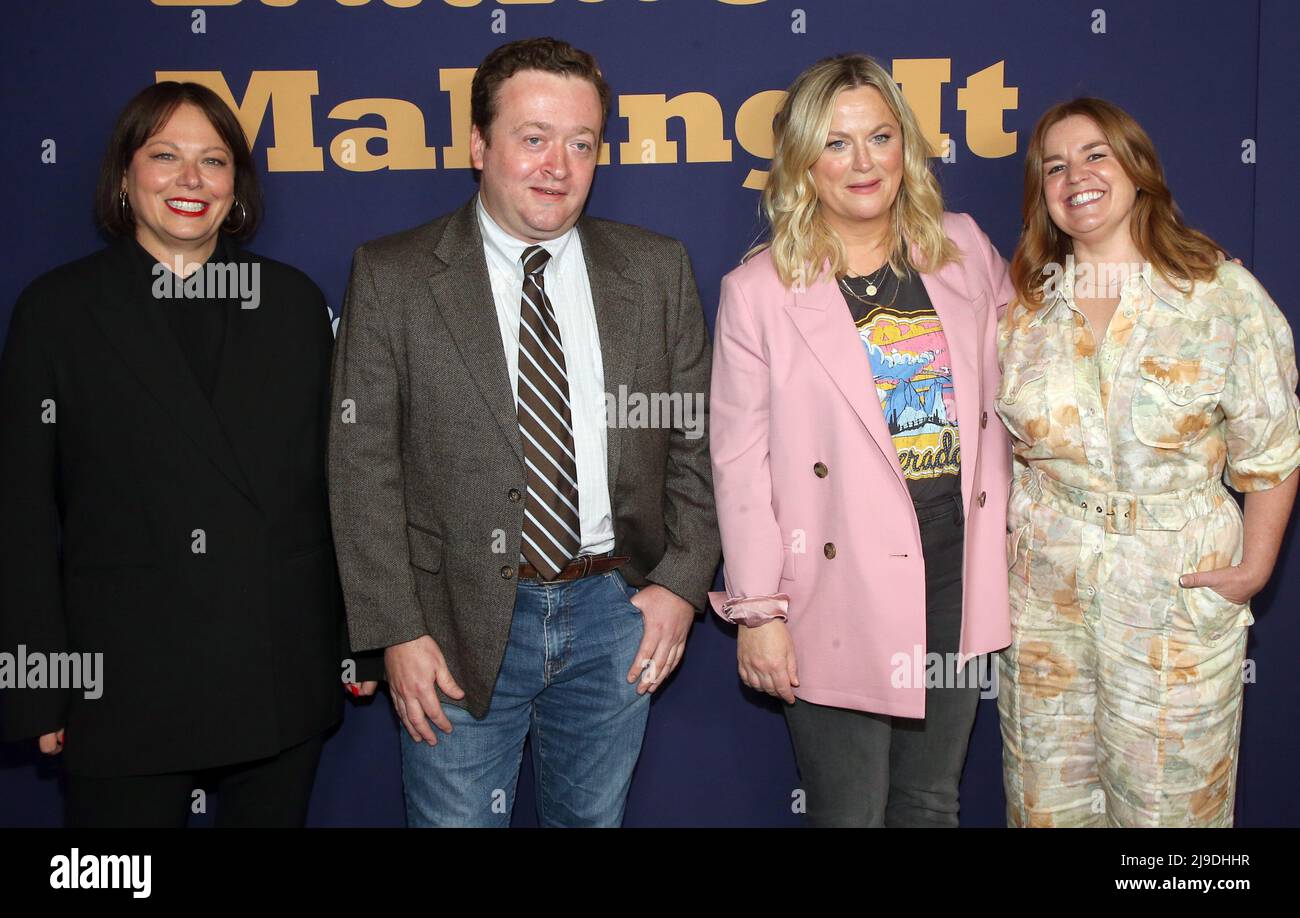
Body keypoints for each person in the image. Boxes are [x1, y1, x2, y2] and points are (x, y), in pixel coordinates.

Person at [327, 36, 719, 828]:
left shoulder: (654, 270)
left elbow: (696, 447)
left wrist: (680, 585)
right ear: (479, 145)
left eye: (581, 143)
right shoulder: (394, 275)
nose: (558, 166)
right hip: (453, 627)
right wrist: (394, 630)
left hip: (615, 615)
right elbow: (360, 466)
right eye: (533, 139)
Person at [0, 82, 375, 827]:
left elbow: (343, 483)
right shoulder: (56, 311)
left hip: (276, 665)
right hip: (123, 684)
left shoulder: (294, 303)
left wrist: (355, 643)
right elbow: (20, 516)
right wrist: (36, 683)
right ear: (124, 175)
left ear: (237, 185)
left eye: (214, 160)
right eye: (165, 156)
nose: (191, 180)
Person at [708, 54, 1013, 827]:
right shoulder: (758, 293)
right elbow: (740, 464)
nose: (864, 162)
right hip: (833, 579)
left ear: (906, 145)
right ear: (803, 162)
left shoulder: (963, 248)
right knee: (849, 812)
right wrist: (760, 611)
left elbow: (1043, 350)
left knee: (930, 799)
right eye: (837, 143)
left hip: (953, 564)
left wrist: (1159, 277)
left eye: (880, 137)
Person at [997, 97, 1300, 827]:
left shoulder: (1220, 295)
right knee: (1049, 808)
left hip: (1175, 597)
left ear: (1138, 169)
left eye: (1096, 155)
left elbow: (1274, 451)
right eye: (1056, 166)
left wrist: (1255, 570)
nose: (1077, 177)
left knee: (1170, 819)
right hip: (1047, 606)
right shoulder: (1020, 307)